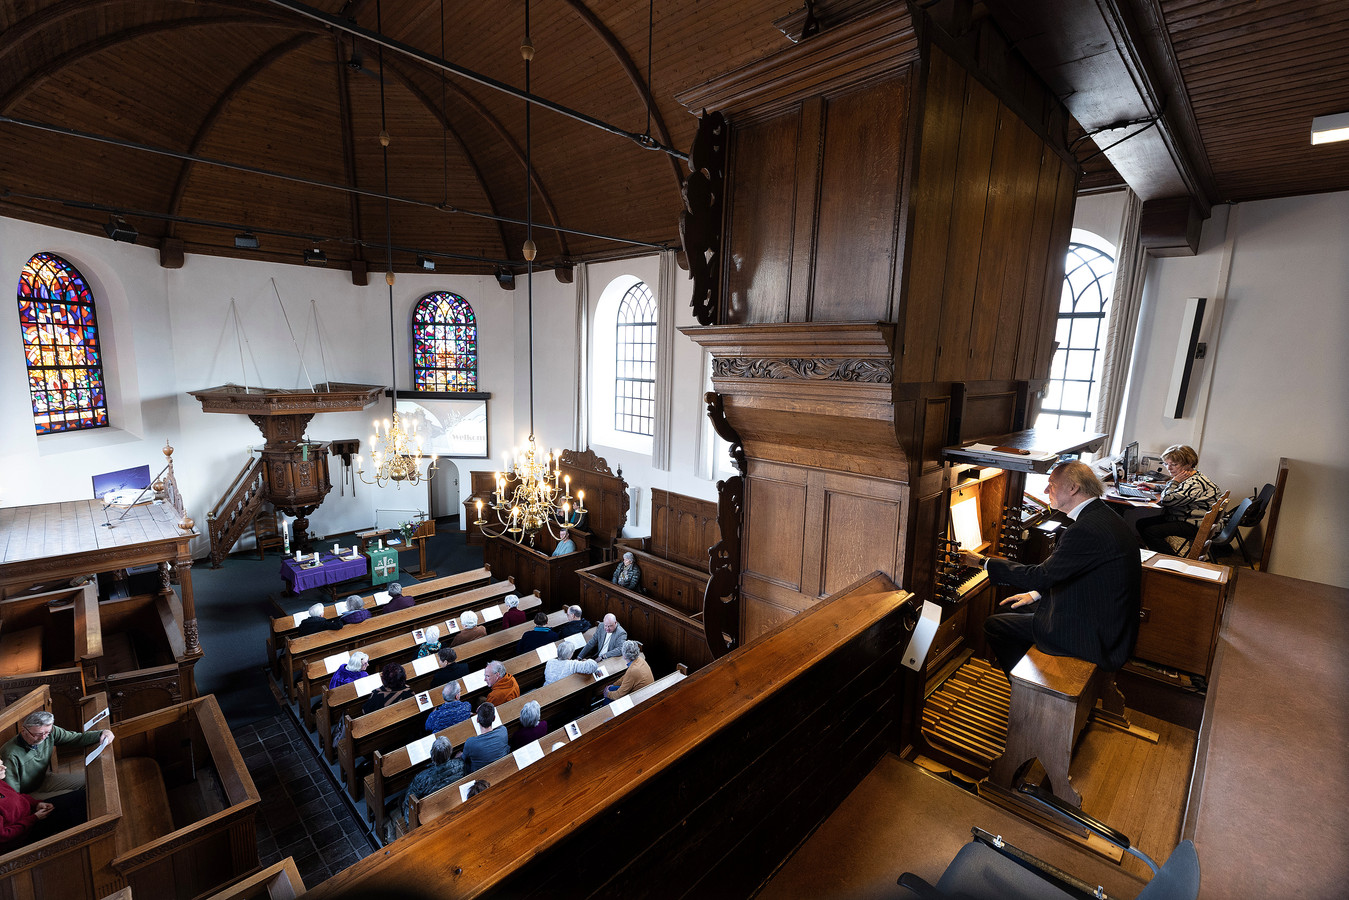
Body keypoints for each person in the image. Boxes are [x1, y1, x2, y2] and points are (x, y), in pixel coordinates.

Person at [960, 460, 1141, 674]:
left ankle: (1028, 684)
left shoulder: (1085, 529)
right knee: (1009, 608)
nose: (1046, 491)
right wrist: (1036, 594)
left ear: (1073, 488)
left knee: (994, 626)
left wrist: (982, 562)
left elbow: (1041, 575)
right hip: (1103, 618)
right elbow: (1072, 572)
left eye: (1052, 484)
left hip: (1093, 635)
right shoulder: (1101, 515)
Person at [2, 712, 113, 800]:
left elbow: (76, 738)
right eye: (38, 734)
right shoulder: (10, 754)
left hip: (44, 779)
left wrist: (102, 733)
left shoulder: (50, 732)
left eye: (47, 733)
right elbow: (12, 793)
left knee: (91, 780)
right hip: (27, 794)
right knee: (77, 795)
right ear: (24, 731)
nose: (43, 737)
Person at [1134, 444, 1223, 553]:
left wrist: (1174, 481)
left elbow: (1166, 500)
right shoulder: (1192, 476)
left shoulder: (1195, 483)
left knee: (1150, 531)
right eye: (1166, 464)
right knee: (1141, 524)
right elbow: (1180, 491)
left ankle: (1170, 559)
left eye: (1174, 464)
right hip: (1191, 518)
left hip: (1199, 524)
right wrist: (1156, 487)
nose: (1169, 468)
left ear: (1188, 464)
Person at [0, 757, 85, 851]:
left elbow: (17, 796)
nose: (4, 767)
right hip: (24, 834)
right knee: (77, 813)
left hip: (33, 814)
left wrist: (36, 804)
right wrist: (34, 818)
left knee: (80, 796)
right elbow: (4, 835)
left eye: (1, 764)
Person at [402, 736, 464, 822]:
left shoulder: (421, 778)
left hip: (430, 815)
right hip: (453, 802)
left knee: (401, 800)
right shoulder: (461, 765)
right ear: (450, 751)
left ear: (432, 754)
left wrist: (410, 824)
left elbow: (409, 802)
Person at [461, 704, 509, 773]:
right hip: (502, 768)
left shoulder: (470, 743)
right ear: (494, 718)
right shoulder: (503, 731)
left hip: (479, 774)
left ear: (477, 720)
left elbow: (464, 759)